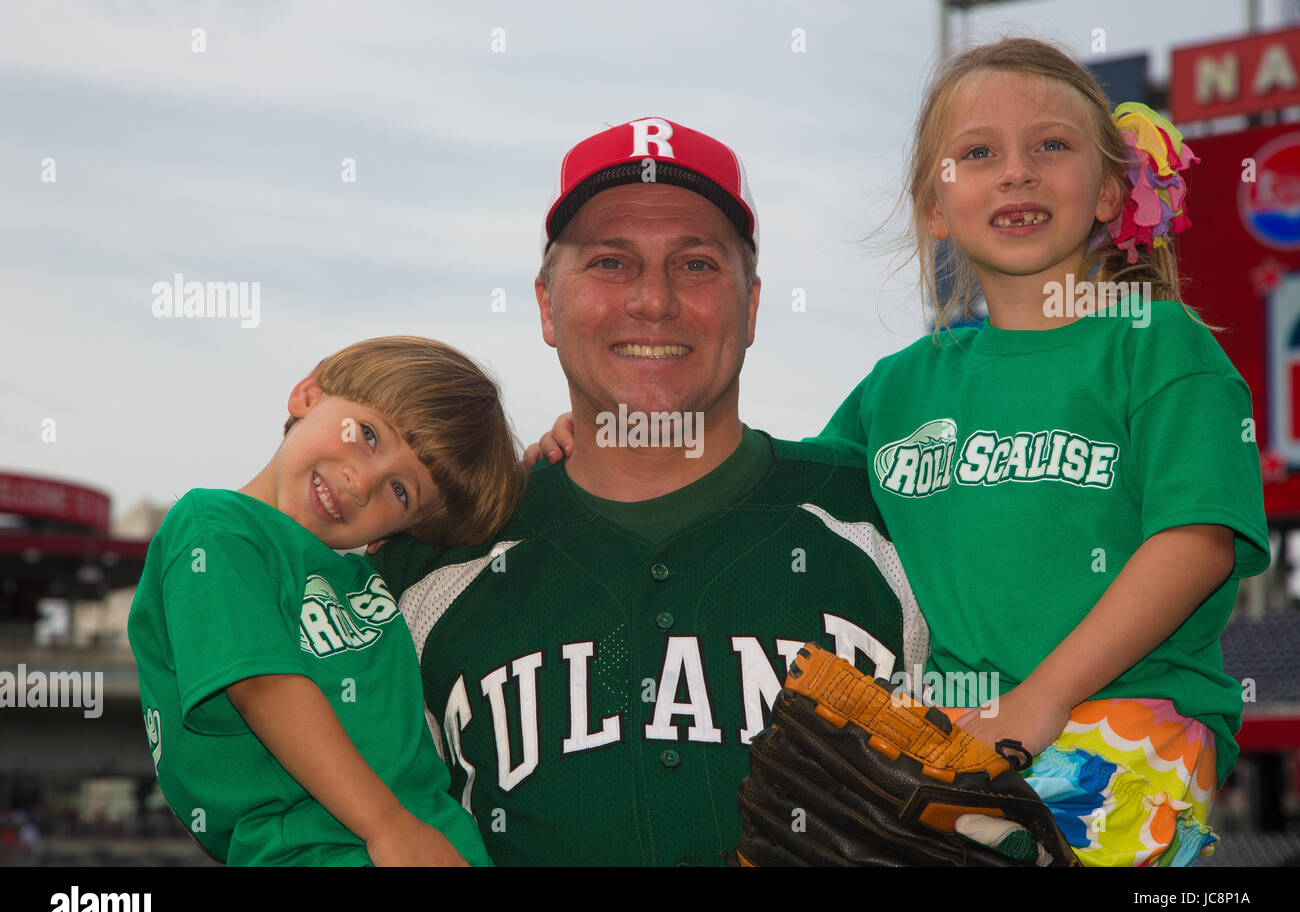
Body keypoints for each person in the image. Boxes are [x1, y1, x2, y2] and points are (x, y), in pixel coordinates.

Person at [371, 117, 929, 866]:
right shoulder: (429, 564)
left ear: (753, 305)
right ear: (545, 304)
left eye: (696, 264)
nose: (654, 301)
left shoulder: (890, 520)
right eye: (610, 262)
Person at [814, 40, 1270, 866]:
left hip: (1127, 730)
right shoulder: (896, 389)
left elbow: (1198, 542)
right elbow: (786, 503)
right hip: (956, 741)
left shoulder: (1160, 345)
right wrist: (595, 449)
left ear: (1107, 191)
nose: (1017, 171)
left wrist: (1041, 699)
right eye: (978, 153)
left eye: (1051, 145)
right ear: (933, 206)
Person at [127, 336, 524, 866]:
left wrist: (550, 460)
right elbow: (263, 687)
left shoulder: (360, 573)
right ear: (308, 395)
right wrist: (386, 827)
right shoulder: (214, 527)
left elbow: (483, 531)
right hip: (321, 849)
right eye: (366, 435)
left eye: (400, 493)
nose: (362, 484)